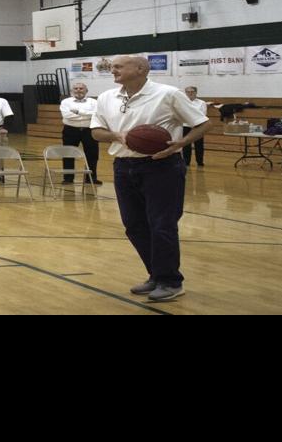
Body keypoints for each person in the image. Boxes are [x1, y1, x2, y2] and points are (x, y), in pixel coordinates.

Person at [90, 54, 210, 303]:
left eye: (119, 66)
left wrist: (182, 143)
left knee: (162, 225)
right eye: (112, 67)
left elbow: (202, 124)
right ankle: (156, 275)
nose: (113, 70)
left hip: (162, 166)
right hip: (123, 166)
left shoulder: (168, 94)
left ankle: (171, 281)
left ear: (141, 68)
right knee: (134, 226)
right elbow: (96, 132)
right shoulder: (106, 97)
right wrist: (117, 136)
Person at [59, 83, 101, 185]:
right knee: (68, 154)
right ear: (71, 91)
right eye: (76, 88)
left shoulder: (94, 102)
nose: (78, 90)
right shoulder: (65, 102)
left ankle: (90, 179)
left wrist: (78, 112)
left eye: (81, 88)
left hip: (89, 130)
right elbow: (67, 115)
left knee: (92, 155)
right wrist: (87, 114)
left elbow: (97, 114)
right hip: (70, 130)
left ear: (86, 91)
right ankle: (68, 178)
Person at [181, 86, 212, 167]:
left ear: (196, 93)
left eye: (192, 91)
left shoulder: (201, 103)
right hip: (186, 126)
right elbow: (182, 114)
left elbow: (202, 115)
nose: (190, 93)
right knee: (186, 145)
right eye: (188, 92)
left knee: (199, 145)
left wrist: (191, 118)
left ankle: (200, 161)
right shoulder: (182, 102)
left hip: (198, 126)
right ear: (185, 93)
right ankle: (186, 162)